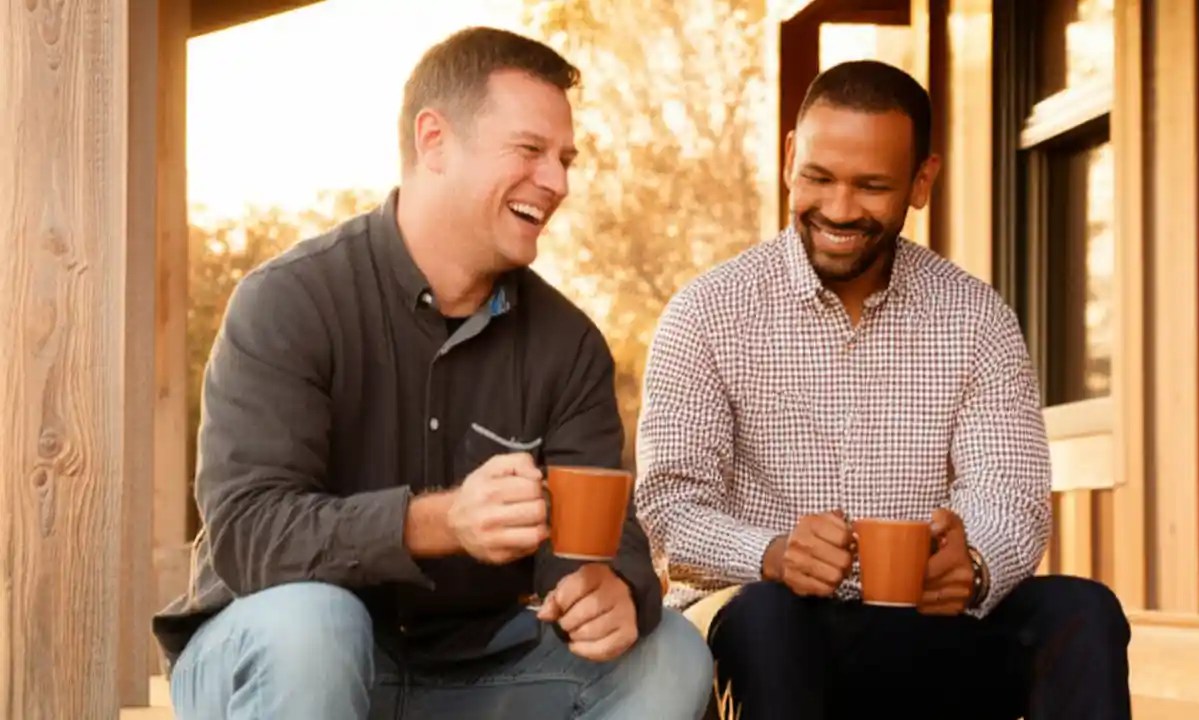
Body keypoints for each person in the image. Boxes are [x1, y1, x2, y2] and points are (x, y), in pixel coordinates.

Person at [153, 26, 713, 720]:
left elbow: (602, 534)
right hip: (280, 658)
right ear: (434, 141)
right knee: (316, 626)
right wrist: (440, 522)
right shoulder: (289, 301)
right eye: (530, 150)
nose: (559, 181)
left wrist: (609, 590)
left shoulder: (569, 346)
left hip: (474, 670)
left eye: (565, 158)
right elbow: (248, 534)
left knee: (671, 657)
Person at [634, 60, 1131, 719]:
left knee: (1082, 610)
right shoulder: (706, 314)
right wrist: (772, 554)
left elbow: (1010, 498)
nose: (839, 210)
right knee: (768, 618)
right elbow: (670, 510)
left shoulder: (976, 319)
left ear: (922, 181)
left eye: (871, 186)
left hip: (926, 625)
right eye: (818, 178)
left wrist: (973, 565)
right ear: (789, 159)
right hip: (768, 624)